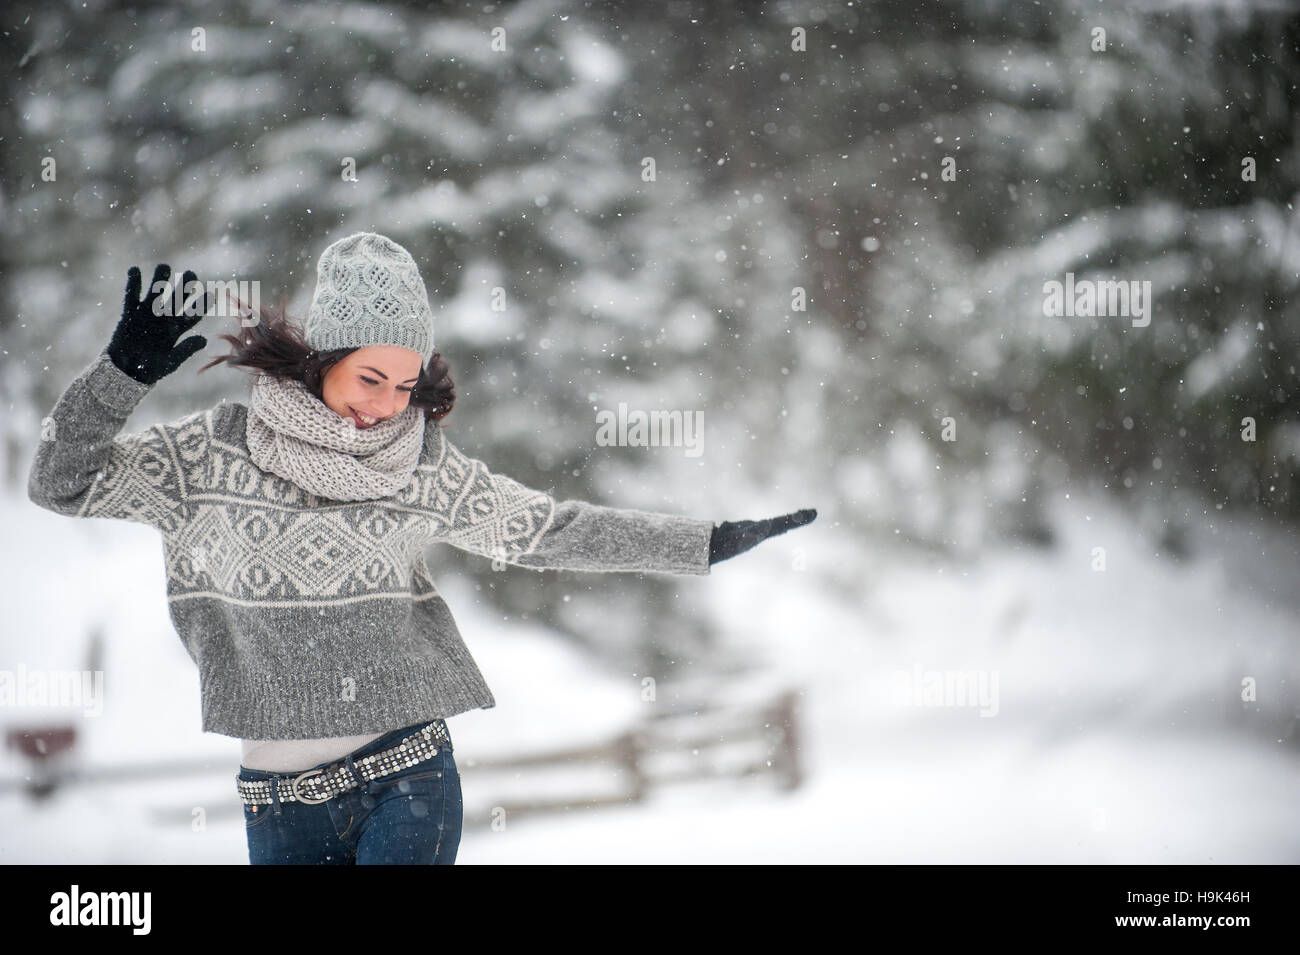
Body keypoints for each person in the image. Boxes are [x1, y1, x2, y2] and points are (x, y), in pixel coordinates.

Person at [27, 231, 817, 864]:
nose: (387, 406)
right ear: (325, 356)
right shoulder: (210, 455)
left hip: (405, 778)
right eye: (371, 377)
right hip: (275, 802)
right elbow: (58, 481)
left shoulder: (418, 466)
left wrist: (702, 543)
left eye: (405, 386)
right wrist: (119, 377)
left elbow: (547, 530)